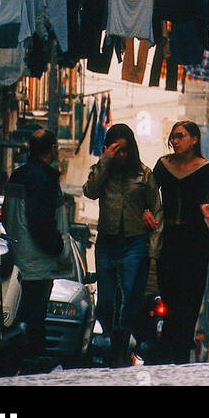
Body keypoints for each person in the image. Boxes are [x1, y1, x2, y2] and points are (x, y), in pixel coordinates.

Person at [83, 123, 163, 366]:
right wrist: (105, 161)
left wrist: (153, 248)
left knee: (129, 296)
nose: (120, 155)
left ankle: (120, 342)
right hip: (107, 241)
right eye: (115, 149)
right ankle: (110, 337)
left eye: (124, 150)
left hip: (135, 241)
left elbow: (157, 210)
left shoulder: (144, 174)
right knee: (107, 299)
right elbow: (90, 192)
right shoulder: (102, 171)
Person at [2, 128, 72, 371]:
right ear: (52, 149)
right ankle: (32, 364)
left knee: (21, 315)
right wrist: (58, 248)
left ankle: (21, 360)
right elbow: (42, 222)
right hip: (37, 261)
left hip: (18, 258)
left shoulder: (18, 175)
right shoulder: (44, 180)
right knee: (35, 317)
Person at [153, 121, 209, 364]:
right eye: (173, 137)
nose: (176, 141)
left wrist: (207, 209)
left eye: (181, 136)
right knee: (169, 294)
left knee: (190, 296)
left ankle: (181, 349)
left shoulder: (204, 168)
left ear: (194, 139)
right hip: (169, 238)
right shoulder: (163, 165)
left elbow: (204, 197)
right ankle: (169, 347)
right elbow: (150, 193)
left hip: (194, 240)